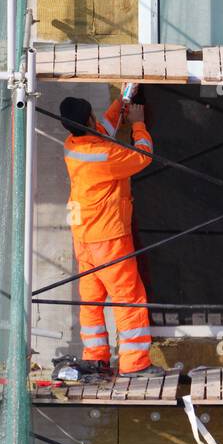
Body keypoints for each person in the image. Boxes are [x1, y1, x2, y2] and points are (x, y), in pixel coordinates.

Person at [60, 92, 155, 377]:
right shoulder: (106, 155)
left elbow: (103, 129)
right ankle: (135, 364)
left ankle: (96, 358)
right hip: (108, 237)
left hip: (84, 236)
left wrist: (122, 103)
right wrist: (138, 124)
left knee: (91, 300)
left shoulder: (73, 144)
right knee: (129, 297)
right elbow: (143, 156)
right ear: (88, 119)